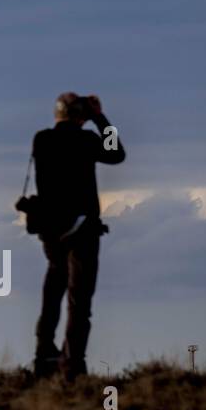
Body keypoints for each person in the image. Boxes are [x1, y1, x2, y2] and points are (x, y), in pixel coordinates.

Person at [32, 92, 126, 381]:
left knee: (52, 296)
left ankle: (43, 358)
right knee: (79, 301)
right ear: (80, 115)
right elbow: (116, 153)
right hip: (83, 231)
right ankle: (72, 364)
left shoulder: (42, 140)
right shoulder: (86, 141)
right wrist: (99, 117)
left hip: (51, 231)